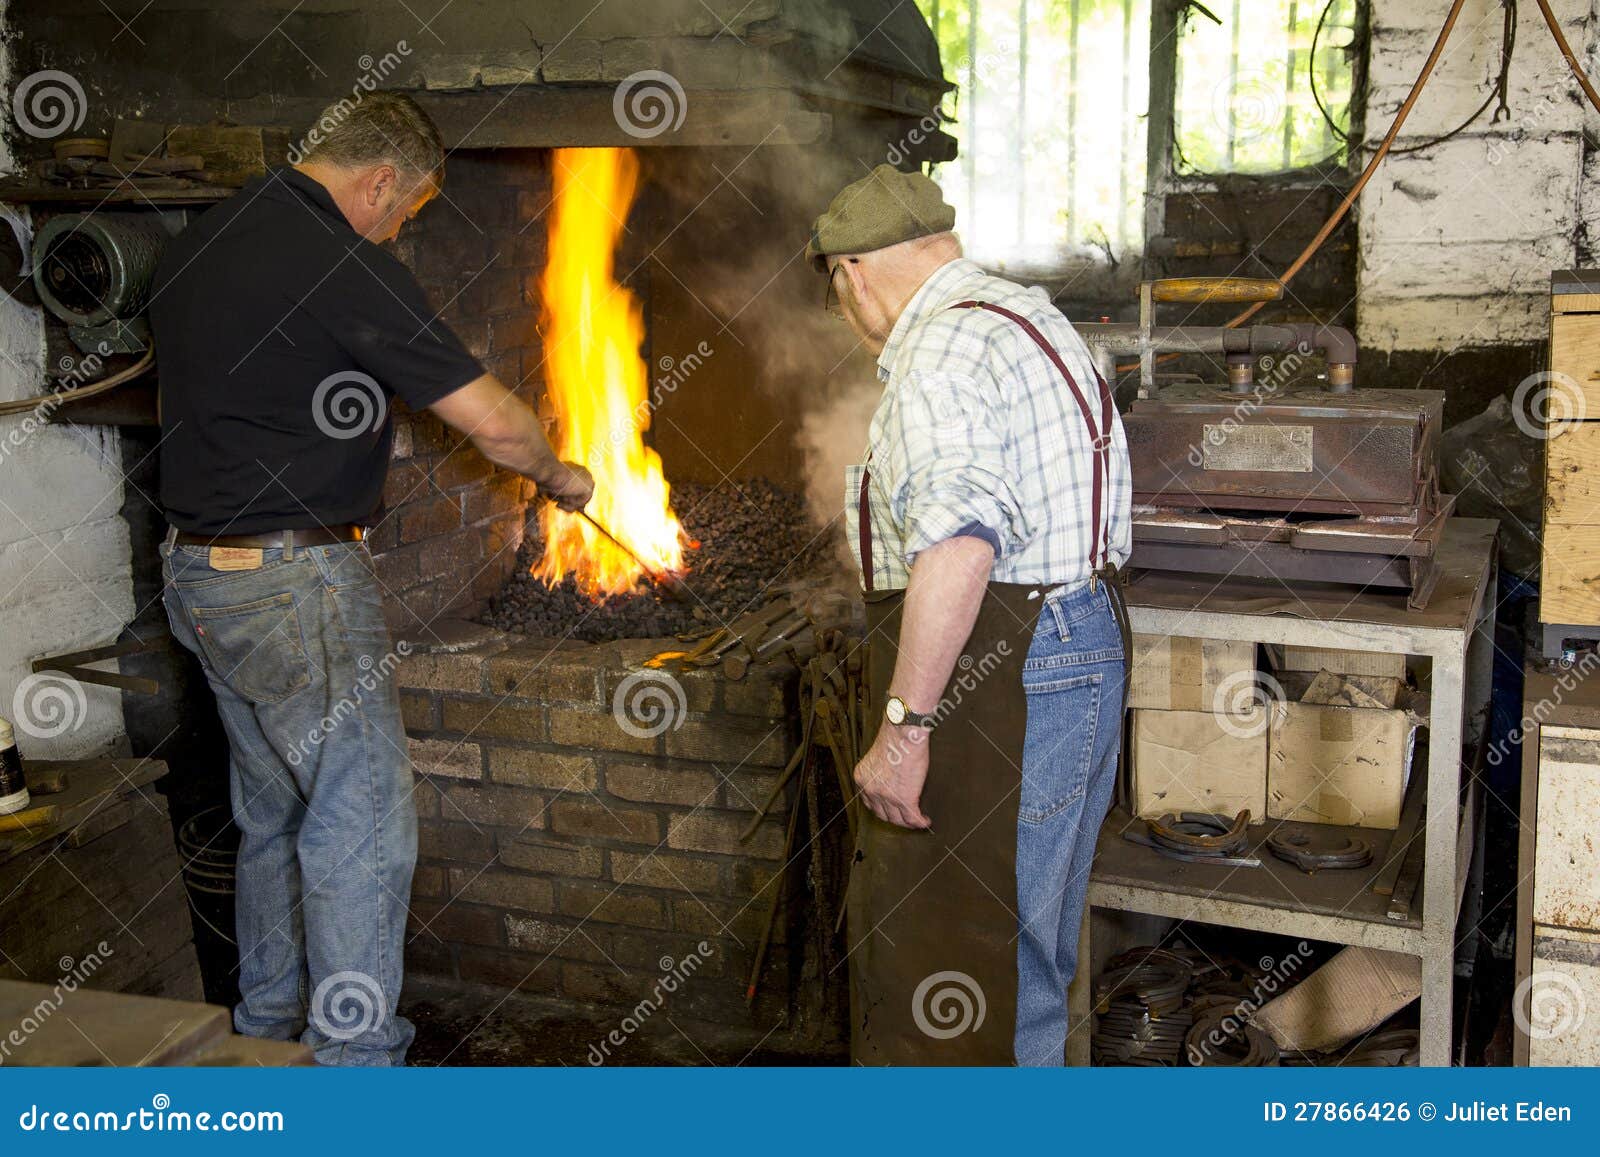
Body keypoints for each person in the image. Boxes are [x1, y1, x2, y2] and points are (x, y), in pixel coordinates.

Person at [149, 92, 592, 1066]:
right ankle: (355, 1068)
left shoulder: (203, 240)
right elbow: (493, 420)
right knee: (362, 823)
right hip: (291, 581)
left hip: (200, 579)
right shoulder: (341, 265)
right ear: (381, 178)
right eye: (408, 209)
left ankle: (267, 1031)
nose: (401, 228)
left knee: (276, 811)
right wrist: (559, 472)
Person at [808, 164, 1132, 1066]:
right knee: (1025, 957)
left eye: (837, 290)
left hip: (1007, 676)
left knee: (961, 969)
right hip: (1084, 641)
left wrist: (905, 727)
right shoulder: (1032, 320)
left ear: (854, 274)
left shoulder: (939, 355)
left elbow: (958, 543)